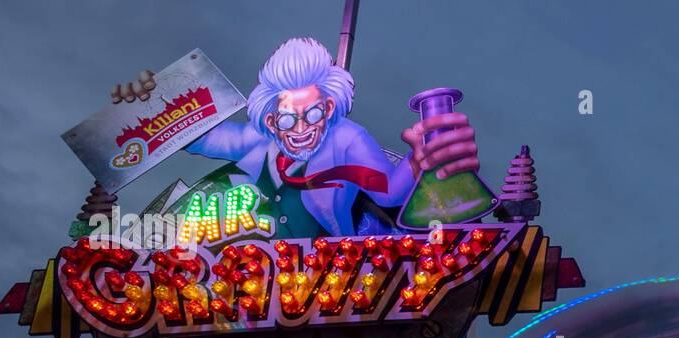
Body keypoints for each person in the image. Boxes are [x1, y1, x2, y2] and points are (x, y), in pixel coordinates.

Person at [184, 37, 480, 236]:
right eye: (288, 119)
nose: (300, 128)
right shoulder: (258, 139)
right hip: (262, 276)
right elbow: (201, 137)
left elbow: (388, 191)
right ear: (272, 120)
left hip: (329, 279)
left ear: (327, 108)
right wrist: (150, 107)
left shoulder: (346, 140)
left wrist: (420, 156)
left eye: (312, 114)